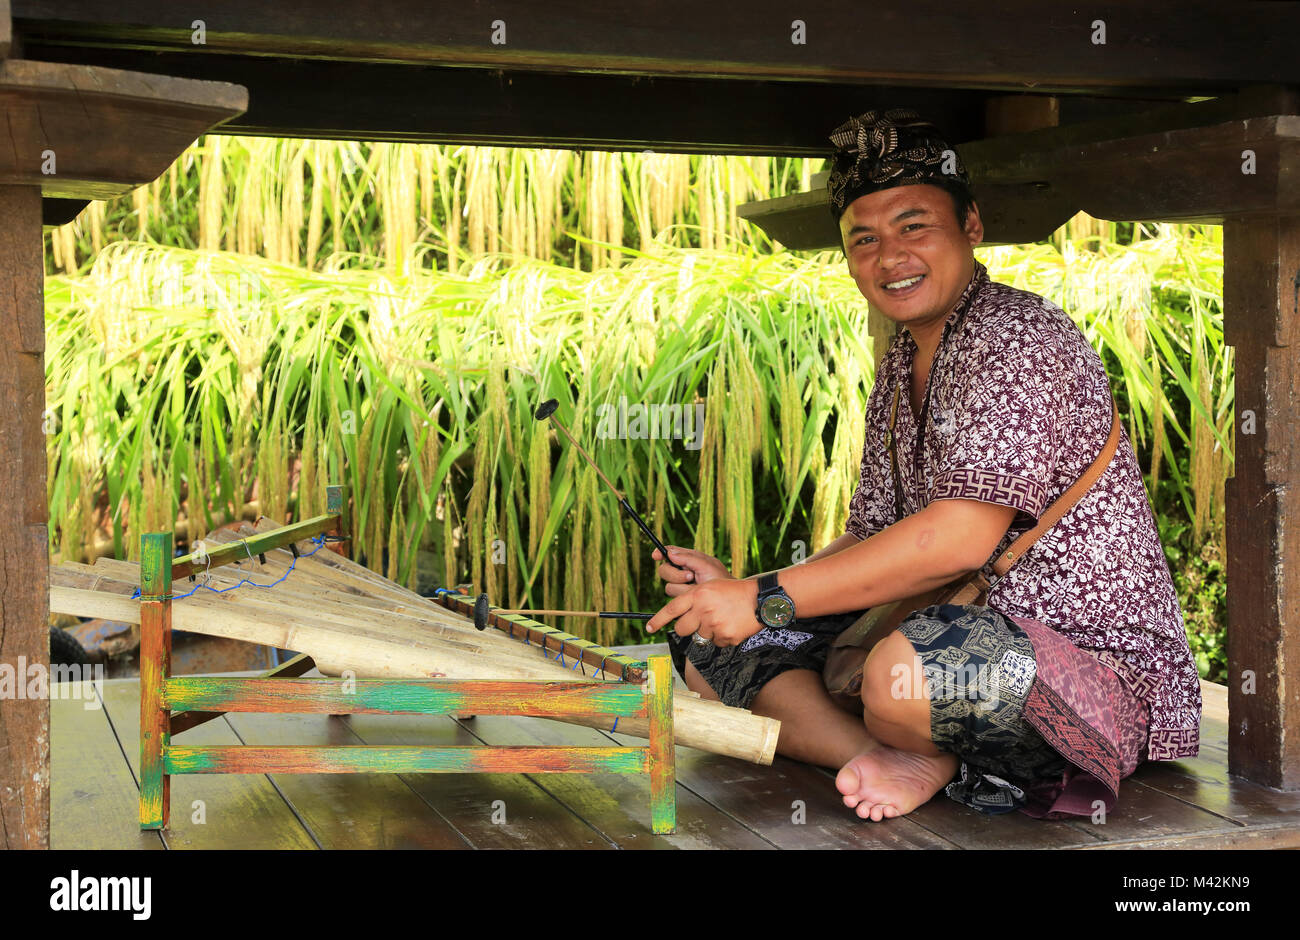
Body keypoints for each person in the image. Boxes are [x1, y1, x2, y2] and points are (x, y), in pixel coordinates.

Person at [645, 108, 1201, 821]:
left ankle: (913, 737)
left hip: (1081, 667)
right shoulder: (903, 359)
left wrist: (763, 600)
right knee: (707, 646)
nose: (889, 257)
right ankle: (882, 754)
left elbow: (959, 539)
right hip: (933, 636)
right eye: (864, 240)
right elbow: (874, 533)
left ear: (970, 226)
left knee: (902, 677)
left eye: (914, 228)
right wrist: (744, 597)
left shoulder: (1016, 337)